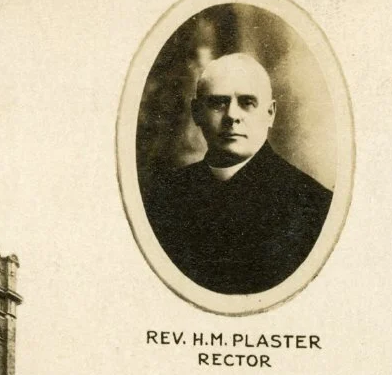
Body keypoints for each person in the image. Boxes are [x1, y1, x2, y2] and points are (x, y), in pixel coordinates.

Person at [142, 53, 333, 295]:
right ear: (196, 112)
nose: (232, 116)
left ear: (270, 113)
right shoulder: (161, 198)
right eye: (218, 102)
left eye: (247, 102)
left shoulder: (315, 206)